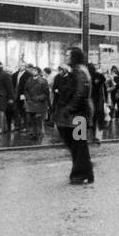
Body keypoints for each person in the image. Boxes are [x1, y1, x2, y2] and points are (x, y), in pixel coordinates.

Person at [53, 47, 94, 185]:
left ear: (74, 57)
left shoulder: (80, 72)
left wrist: (69, 108)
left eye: (68, 54)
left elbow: (80, 93)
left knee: (78, 145)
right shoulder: (76, 71)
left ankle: (81, 173)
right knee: (77, 144)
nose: (65, 56)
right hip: (74, 115)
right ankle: (84, 172)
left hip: (78, 115)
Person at [23, 66, 50, 142]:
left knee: (39, 120)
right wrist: (28, 98)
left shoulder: (43, 81)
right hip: (30, 103)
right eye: (33, 71)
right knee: (31, 120)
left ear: (38, 71)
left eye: (35, 70)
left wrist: (38, 98)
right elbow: (26, 90)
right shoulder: (29, 80)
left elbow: (46, 93)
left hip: (39, 104)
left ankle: (39, 134)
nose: (33, 72)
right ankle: (33, 134)